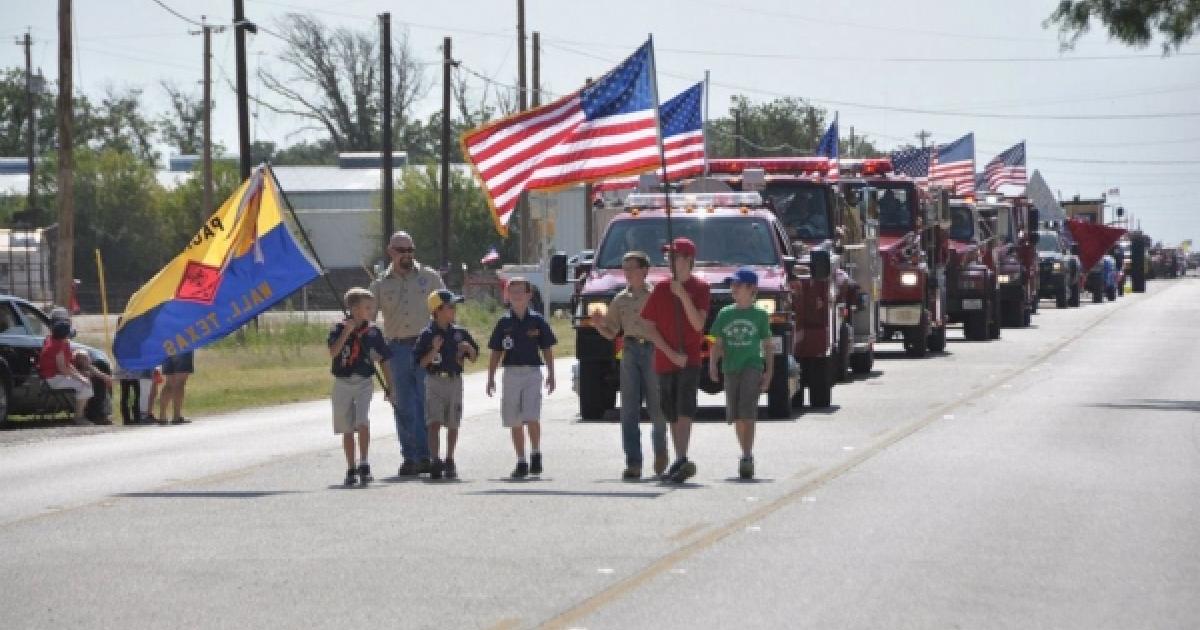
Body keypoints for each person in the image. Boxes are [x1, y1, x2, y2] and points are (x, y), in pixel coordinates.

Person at [590, 251, 685, 480]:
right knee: (629, 409)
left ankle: (661, 450)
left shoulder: (658, 295)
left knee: (657, 406)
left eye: (632, 268)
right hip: (630, 350)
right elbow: (612, 332)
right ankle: (633, 463)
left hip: (654, 349)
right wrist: (598, 325)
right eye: (625, 268)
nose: (628, 273)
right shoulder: (620, 299)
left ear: (645, 270)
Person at [371, 231, 446, 477]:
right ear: (391, 252)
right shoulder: (381, 284)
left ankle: (427, 455)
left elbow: (445, 310)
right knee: (402, 404)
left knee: (426, 403)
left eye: (410, 250)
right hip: (397, 349)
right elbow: (369, 320)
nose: (407, 255)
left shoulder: (429, 278)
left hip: (425, 346)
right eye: (402, 250)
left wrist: (447, 342)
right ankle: (410, 457)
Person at [640, 237, 710, 484]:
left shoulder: (700, 288)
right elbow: (648, 327)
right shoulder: (660, 289)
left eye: (676, 257)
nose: (671, 262)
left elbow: (698, 324)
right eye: (669, 257)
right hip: (665, 360)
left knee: (685, 409)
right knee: (670, 412)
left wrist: (683, 296)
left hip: (689, 359)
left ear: (688, 260)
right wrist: (670, 353)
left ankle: (682, 456)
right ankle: (680, 459)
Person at [486, 277, 557, 479]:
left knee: (532, 415)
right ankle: (521, 460)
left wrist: (551, 374)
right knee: (514, 419)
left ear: (529, 295)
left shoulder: (537, 321)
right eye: (513, 292)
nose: (517, 295)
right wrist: (490, 377)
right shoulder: (503, 322)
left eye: (520, 291)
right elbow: (496, 351)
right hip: (511, 373)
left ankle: (535, 452)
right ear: (507, 296)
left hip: (532, 372)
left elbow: (546, 348)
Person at [707, 267, 774, 480]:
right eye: (732, 285)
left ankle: (747, 456)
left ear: (751, 289)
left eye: (738, 285)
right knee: (736, 416)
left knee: (748, 412)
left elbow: (767, 345)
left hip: (752, 366)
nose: (733, 289)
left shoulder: (760, 315)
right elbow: (717, 342)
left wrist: (769, 371)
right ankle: (743, 450)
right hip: (730, 367)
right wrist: (712, 364)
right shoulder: (725, 314)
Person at [328, 287, 394, 487]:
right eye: (367, 307)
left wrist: (390, 386)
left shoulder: (373, 332)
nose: (370, 311)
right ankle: (351, 466)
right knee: (347, 427)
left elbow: (383, 360)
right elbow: (333, 352)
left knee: (362, 421)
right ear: (354, 309)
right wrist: (347, 332)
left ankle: (364, 461)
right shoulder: (339, 328)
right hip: (343, 382)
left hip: (364, 381)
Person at [414, 289, 479, 480]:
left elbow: (474, 358)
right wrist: (434, 350)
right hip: (434, 380)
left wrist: (468, 349)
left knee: (453, 422)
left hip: (454, 380)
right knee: (433, 423)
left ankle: (449, 458)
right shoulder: (427, 335)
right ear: (438, 310)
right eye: (451, 306)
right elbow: (421, 363)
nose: (454, 310)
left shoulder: (460, 333)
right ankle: (435, 460)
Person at [38, 320, 93, 425]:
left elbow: (68, 365)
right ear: (64, 335)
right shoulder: (57, 345)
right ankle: (79, 417)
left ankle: (79, 414)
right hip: (53, 379)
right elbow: (63, 369)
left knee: (85, 382)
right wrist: (81, 379)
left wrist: (79, 375)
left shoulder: (59, 341)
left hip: (57, 376)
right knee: (86, 386)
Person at [74, 351, 114, 425]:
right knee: (96, 384)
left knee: (100, 382)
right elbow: (84, 375)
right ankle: (96, 416)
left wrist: (107, 379)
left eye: (87, 358)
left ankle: (101, 414)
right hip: (81, 387)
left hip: (89, 387)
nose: (87, 360)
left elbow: (101, 375)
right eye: (84, 358)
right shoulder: (77, 369)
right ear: (78, 361)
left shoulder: (90, 367)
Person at [158, 351, 194, 425]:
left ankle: (162, 416)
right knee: (180, 382)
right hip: (182, 345)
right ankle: (176, 416)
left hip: (167, 346)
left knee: (169, 383)